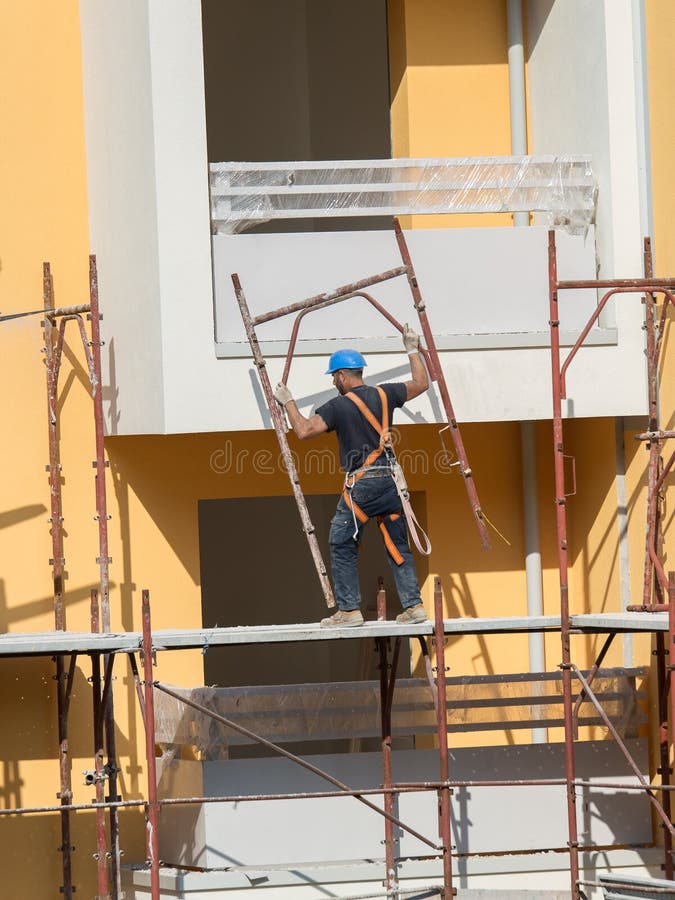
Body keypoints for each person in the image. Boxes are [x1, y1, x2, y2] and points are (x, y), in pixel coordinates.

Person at [273, 325, 429, 627]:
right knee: (398, 544)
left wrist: (288, 402)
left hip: (363, 485)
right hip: (391, 483)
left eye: (334, 377)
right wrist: (412, 349)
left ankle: (349, 611)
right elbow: (421, 383)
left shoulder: (338, 406)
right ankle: (414, 605)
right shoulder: (387, 394)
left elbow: (304, 431)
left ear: (343, 375)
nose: (334, 382)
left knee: (341, 542)